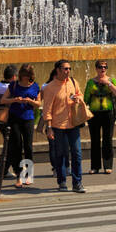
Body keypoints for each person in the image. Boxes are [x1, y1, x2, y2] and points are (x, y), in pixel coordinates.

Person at [40, 59, 87, 193]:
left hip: (73, 123)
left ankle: (77, 182)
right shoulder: (50, 87)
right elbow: (47, 109)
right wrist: (49, 128)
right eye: (65, 69)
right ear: (58, 70)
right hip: (58, 126)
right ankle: (62, 181)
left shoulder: (73, 82)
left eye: (69, 69)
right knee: (60, 155)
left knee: (77, 153)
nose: (68, 71)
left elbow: (80, 94)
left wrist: (79, 99)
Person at [84, 60, 116, 174]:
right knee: (94, 140)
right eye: (100, 67)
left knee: (107, 139)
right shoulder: (91, 82)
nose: (103, 69)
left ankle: (108, 165)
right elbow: (86, 98)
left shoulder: (111, 80)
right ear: (96, 68)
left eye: (105, 67)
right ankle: (95, 167)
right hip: (94, 114)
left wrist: (108, 84)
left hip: (108, 113)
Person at [6, 64, 41, 189]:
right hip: (14, 118)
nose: (25, 78)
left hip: (28, 118)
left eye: (28, 76)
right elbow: (3, 100)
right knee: (16, 146)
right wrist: (15, 100)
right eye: (24, 75)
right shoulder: (14, 85)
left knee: (28, 147)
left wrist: (30, 101)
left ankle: (29, 174)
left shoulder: (35, 86)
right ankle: (19, 175)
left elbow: (38, 103)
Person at [0, 65, 18, 181]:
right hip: (9, 118)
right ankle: (3, 170)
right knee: (10, 145)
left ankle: (5, 169)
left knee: (8, 144)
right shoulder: (12, 88)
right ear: (13, 76)